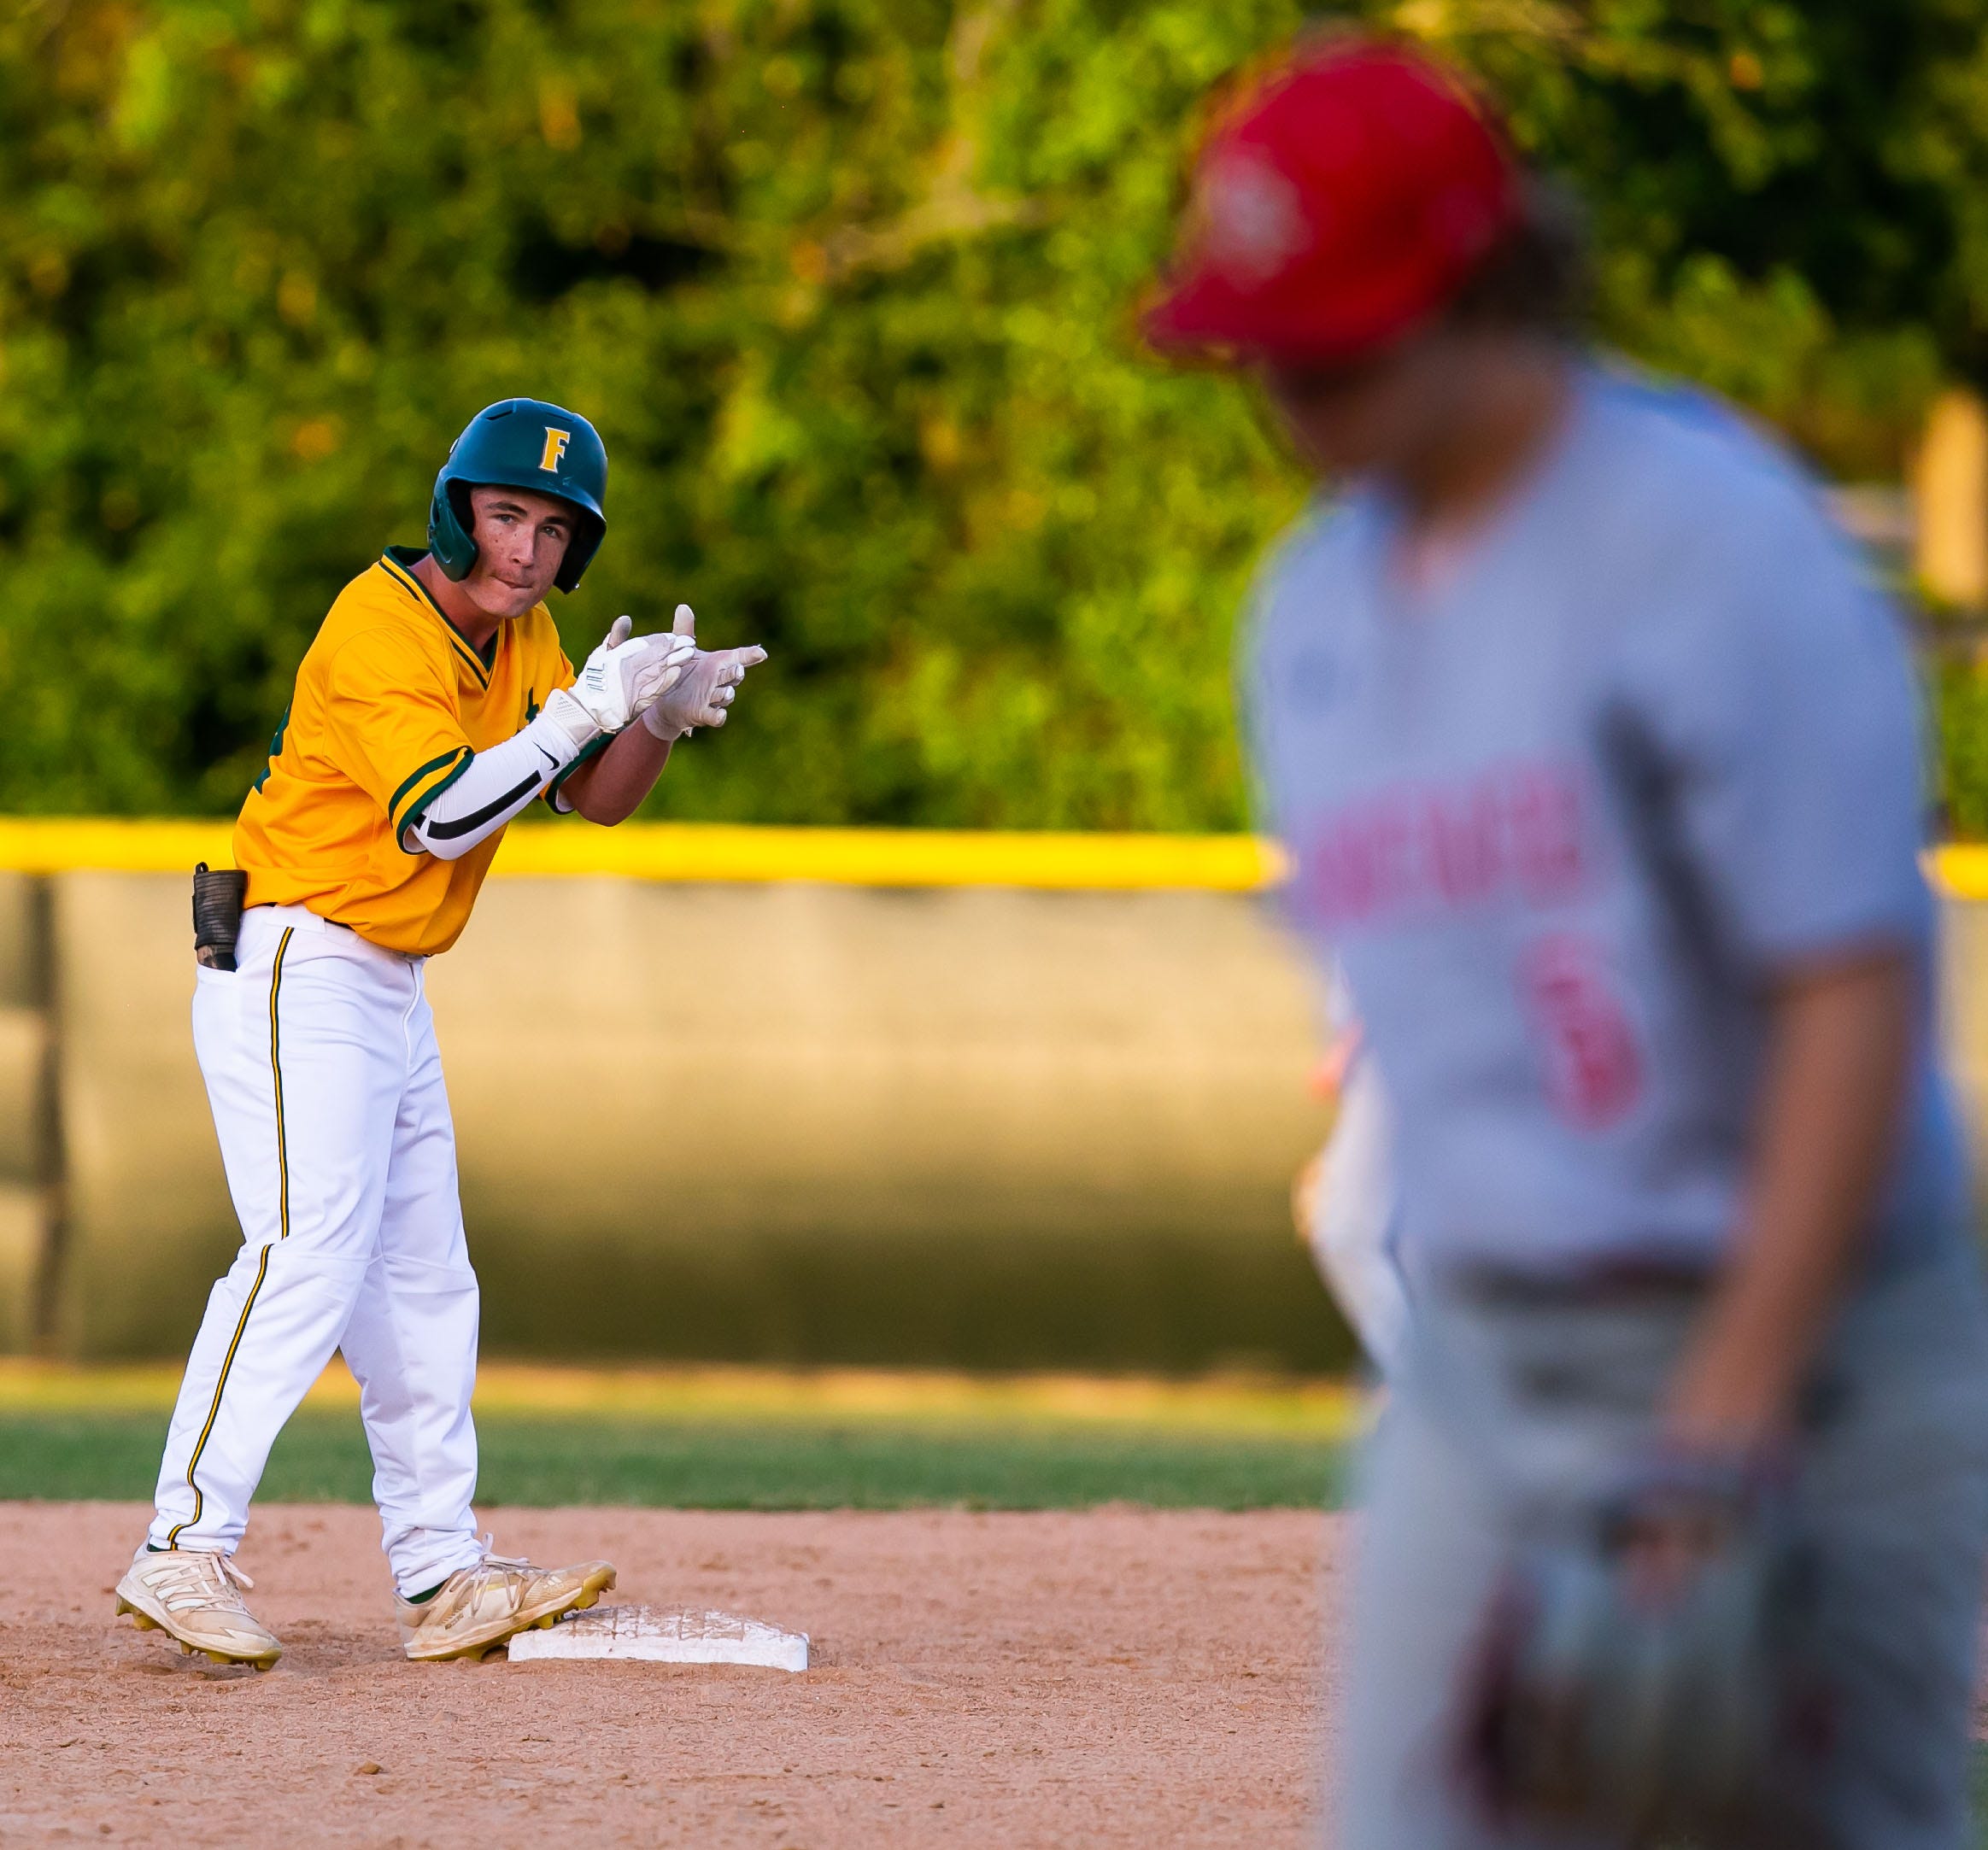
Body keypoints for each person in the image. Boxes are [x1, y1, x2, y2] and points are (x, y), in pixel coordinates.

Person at [1148, 35, 1988, 1848]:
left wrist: (1726, 1416)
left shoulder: (1716, 551)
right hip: (1494, 1364)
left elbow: (1850, 994)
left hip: (1813, 1349)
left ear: (1486, 284)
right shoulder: (1306, 623)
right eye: (1265, 347)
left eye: (1340, 340)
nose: (1293, 391)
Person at [114, 398, 767, 1668]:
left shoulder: (527, 636)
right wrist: (587, 708)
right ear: (456, 507)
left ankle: (444, 1569)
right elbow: (442, 820)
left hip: (383, 975)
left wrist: (655, 721)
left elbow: (593, 800)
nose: (525, 549)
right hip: (297, 952)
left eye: (553, 527)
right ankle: (180, 1544)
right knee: (308, 1248)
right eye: (506, 513)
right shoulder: (379, 627)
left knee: (422, 1279)